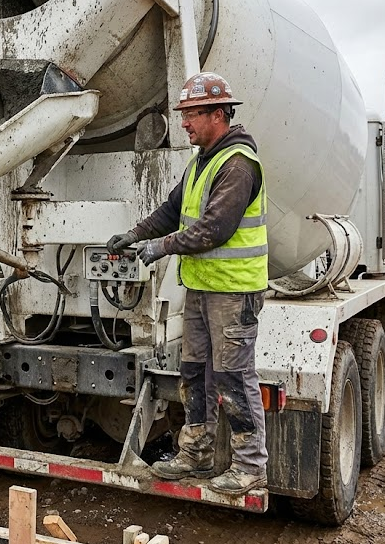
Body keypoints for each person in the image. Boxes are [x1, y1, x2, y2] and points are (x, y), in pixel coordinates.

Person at [107, 72, 268, 495]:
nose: (184, 123)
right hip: (201, 289)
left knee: (234, 378)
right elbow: (171, 210)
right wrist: (135, 234)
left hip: (234, 292)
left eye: (192, 115)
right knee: (195, 373)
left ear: (219, 114)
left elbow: (215, 229)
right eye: (184, 115)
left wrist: (159, 248)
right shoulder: (202, 161)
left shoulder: (238, 165)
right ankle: (195, 454)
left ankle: (250, 466)